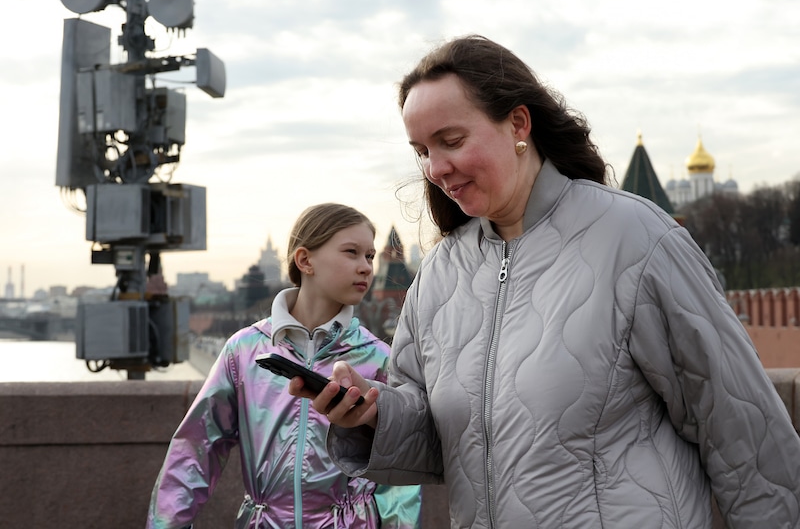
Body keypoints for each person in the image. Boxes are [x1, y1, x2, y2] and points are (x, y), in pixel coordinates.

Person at [291, 36, 800, 528]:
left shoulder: (636, 239)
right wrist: (372, 415)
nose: (435, 169)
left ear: (518, 123)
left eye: (451, 141)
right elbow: (447, 440)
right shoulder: (440, 274)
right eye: (422, 150)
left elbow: (746, 435)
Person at [146, 203, 422, 529]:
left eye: (370, 256)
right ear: (305, 260)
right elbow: (195, 450)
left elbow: (398, 477)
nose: (366, 267)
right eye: (352, 252)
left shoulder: (377, 358)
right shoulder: (245, 350)